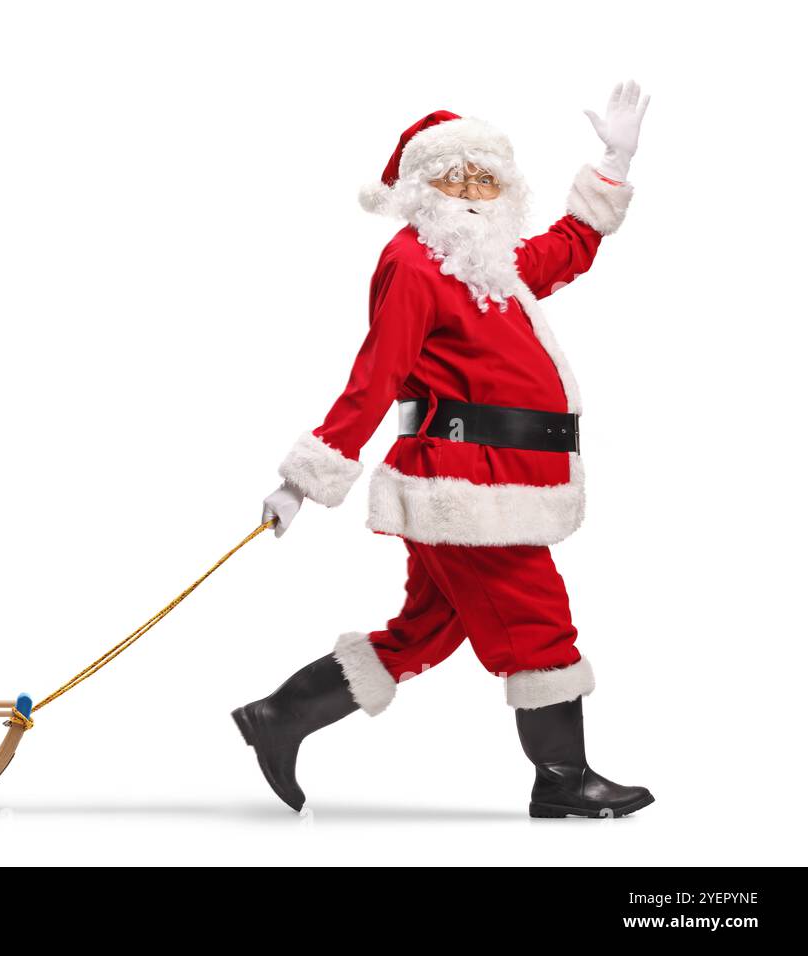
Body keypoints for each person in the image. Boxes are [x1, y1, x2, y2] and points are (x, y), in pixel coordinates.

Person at [233, 81, 655, 818]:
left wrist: (613, 162)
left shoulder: (491, 261)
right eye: (452, 176)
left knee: (429, 627)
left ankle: (280, 715)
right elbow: (375, 377)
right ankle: (562, 779)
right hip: (465, 488)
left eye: (483, 176)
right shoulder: (413, 262)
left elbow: (567, 247)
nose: (470, 189)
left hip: (494, 483)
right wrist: (303, 481)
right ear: (419, 190)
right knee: (536, 616)